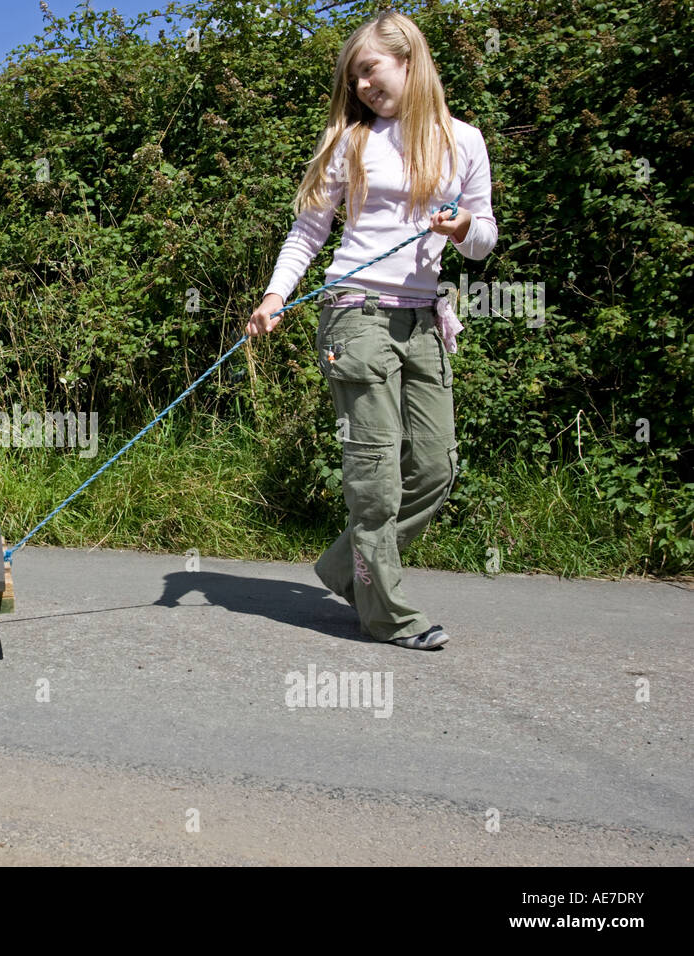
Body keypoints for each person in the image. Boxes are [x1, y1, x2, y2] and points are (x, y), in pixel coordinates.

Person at [246, 11, 497, 650]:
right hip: (354, 313)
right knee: (375, 472)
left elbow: (484, 240)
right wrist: (277, 295)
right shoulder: (351, 142)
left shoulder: (464, 140)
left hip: (422, 320)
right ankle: (386, 612)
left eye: (370, 69)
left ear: (409, 61)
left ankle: (343, 568)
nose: (360, 86)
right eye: (354, 76)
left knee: (436, 467)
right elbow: (309, 230)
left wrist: (462, 227)